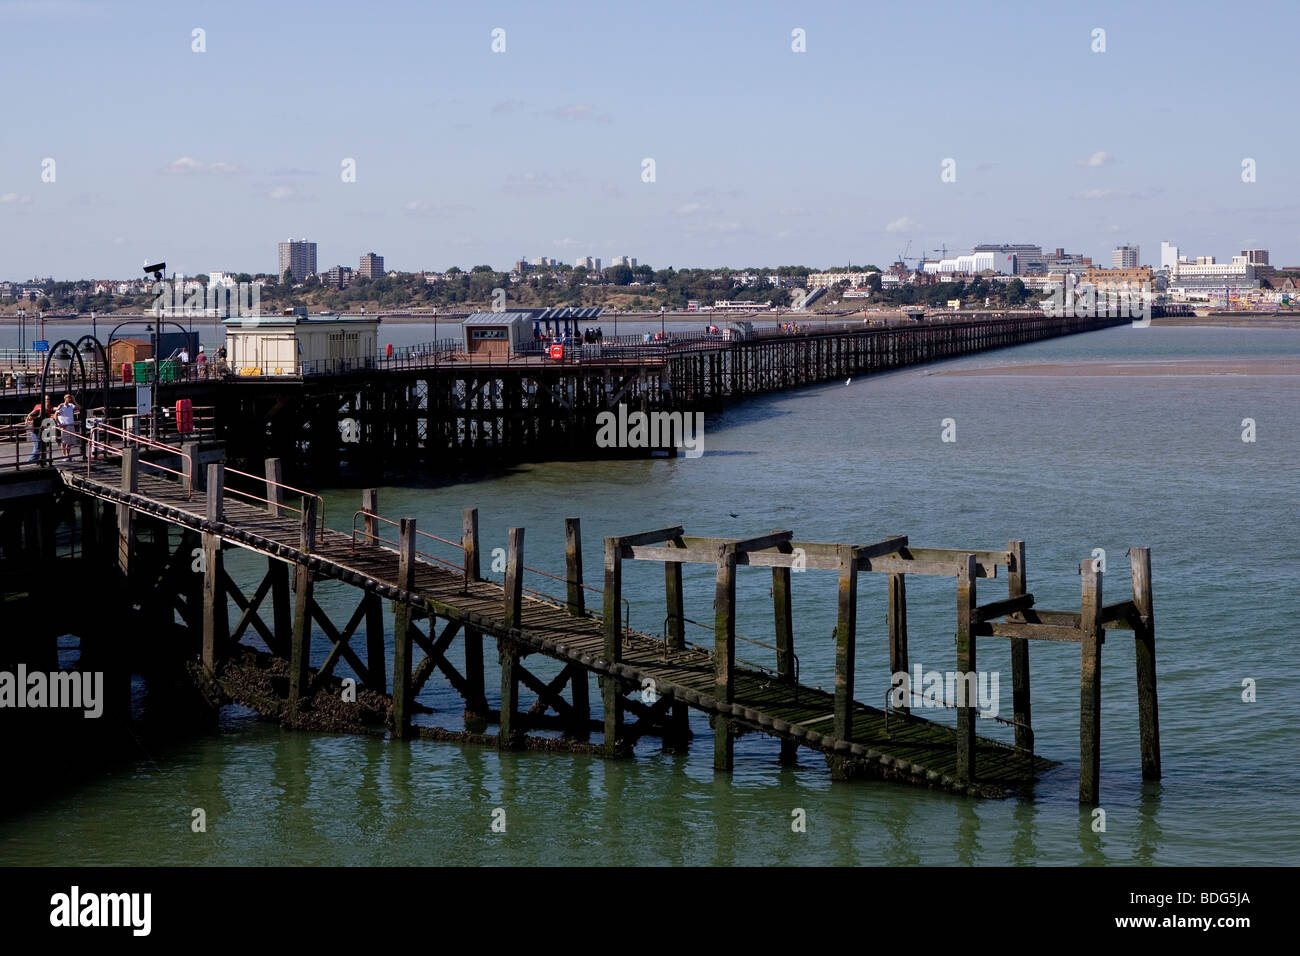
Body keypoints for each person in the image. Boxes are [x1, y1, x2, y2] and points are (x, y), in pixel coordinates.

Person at [55, 393, 79, 460]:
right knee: (64, 442)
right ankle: (64, 455)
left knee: (70, 442)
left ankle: (67, 455)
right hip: (65, 426)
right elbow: (55, 416)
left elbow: (79, 407)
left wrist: (74, 400)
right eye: (68, 397)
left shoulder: (71, 405)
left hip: (71, 425)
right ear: (65, 398)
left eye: (70, 397)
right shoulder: (61, 406)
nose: (69, 399)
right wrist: (59, 424)